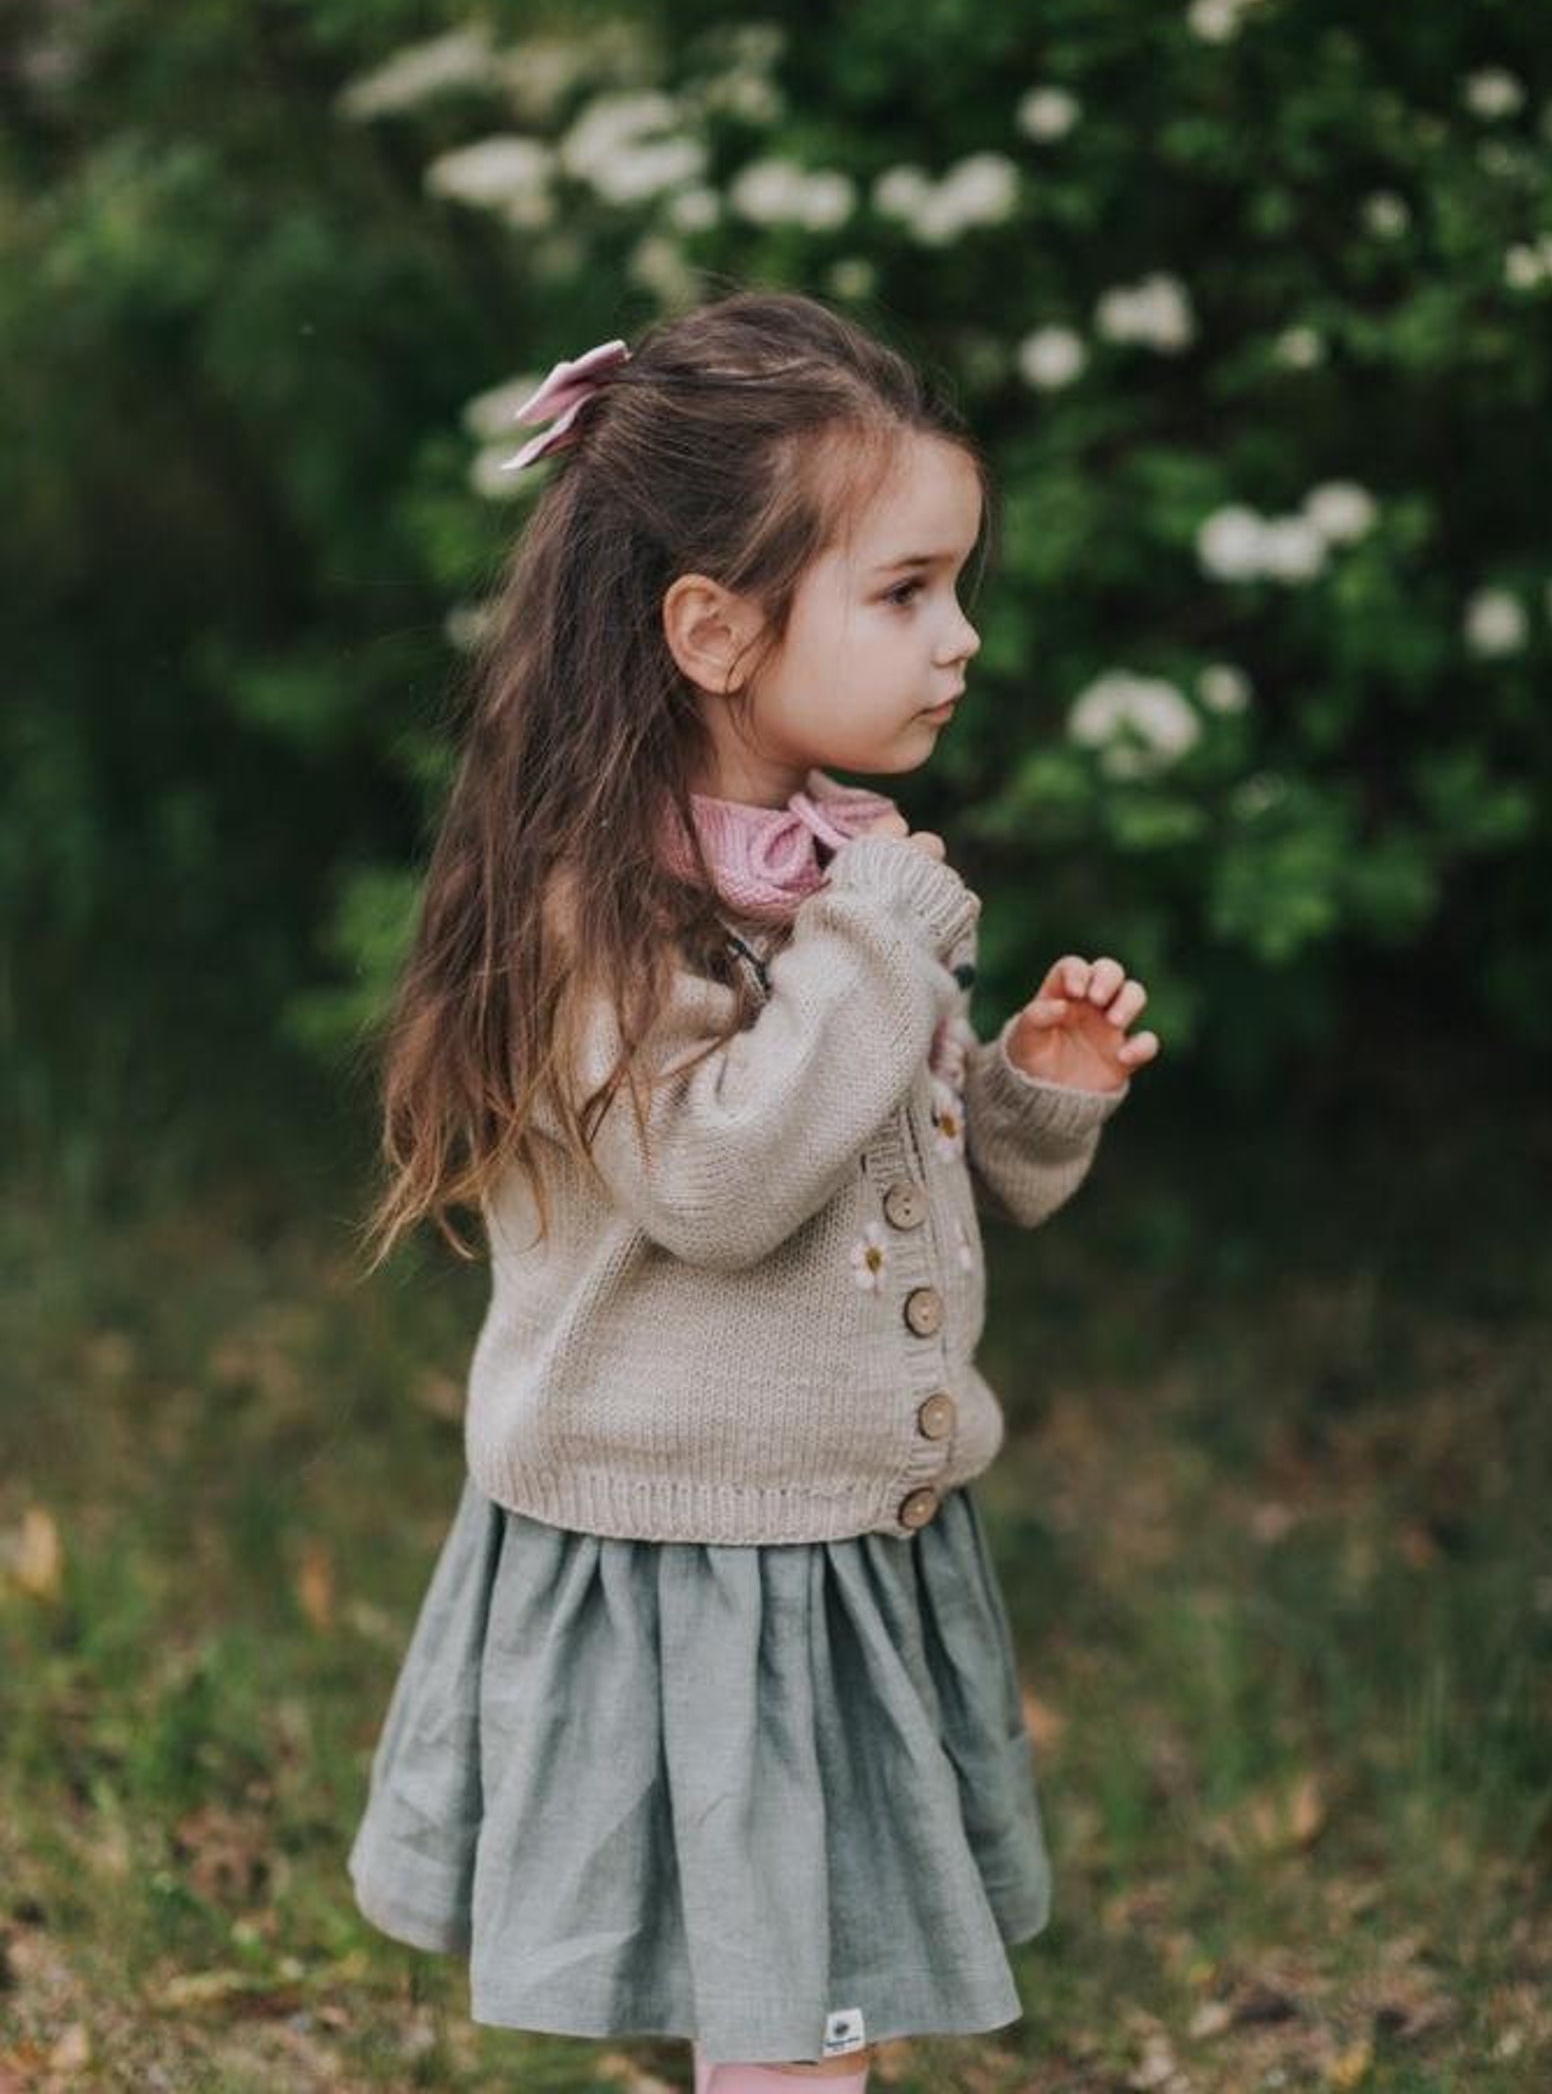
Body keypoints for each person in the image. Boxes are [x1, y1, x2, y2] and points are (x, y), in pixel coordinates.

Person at [344, 286, 1160, 2088]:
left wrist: (1031, 1096)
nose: (958, 640)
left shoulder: (838, 873)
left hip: (829, 1546)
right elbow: (719, 1180)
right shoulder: (605, 906)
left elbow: (903, 1165)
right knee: (793, 2017)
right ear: (714, 627)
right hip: (684, 1558)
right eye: (904, 590)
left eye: (957, 586)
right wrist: (877, 950)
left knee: (790, 1983)